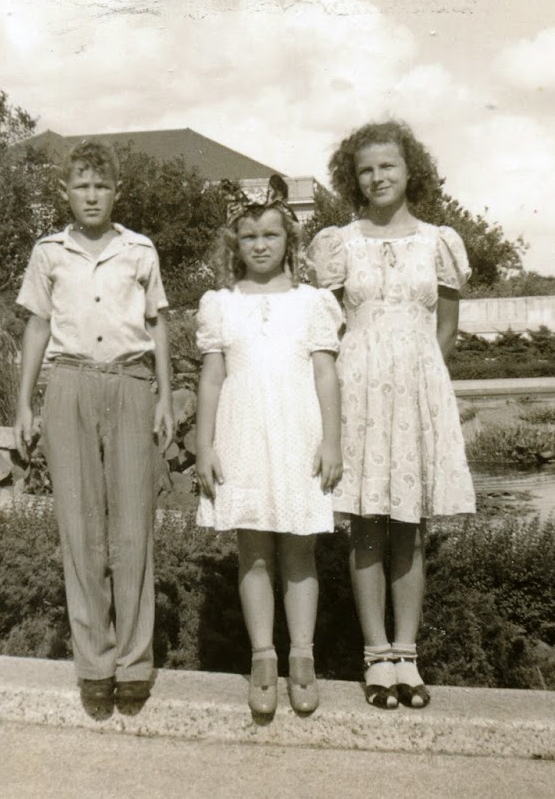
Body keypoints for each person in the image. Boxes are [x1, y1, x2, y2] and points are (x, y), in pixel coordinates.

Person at [309, 121, 476, 710]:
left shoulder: (439, 242)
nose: (377, 177)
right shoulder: (338, 243)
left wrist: (415, 380)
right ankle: (376, 657)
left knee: (409, 529)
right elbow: (326, 327)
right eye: (366, 170)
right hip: (357, 395)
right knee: (366, 527)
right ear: (353, 179)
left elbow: (446, 330)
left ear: (411, 171)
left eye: (388, 166)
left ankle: (408, 655)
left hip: (416, 395)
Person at [14, 141, 176, 709]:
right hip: (69, 385)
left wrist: (163, 398)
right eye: (81, 185)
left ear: (116, 193)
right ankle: (94, 663)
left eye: (100, 186)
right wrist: (23, 406)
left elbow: (158, 324)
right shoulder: (49, 253)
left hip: (131, 385)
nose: (91, 195)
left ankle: (133, 661)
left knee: (133, 530)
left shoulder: (140, 250)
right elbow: (36, 328)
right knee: (81, 532)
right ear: (66, 192)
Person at [193, 179, 343, 717]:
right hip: (243, 436)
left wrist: (332, 439)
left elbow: (326, 375)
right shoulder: (220, 305)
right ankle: (263, 657)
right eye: (250, 235)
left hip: (298, 435)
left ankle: (302, 655)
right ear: (235, 242)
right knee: (253, 550)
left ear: (289, 239)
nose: (261, 244)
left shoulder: (311, 303)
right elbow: (211, 379)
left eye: (271, 234)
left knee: (300, 550)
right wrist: (204, 444)